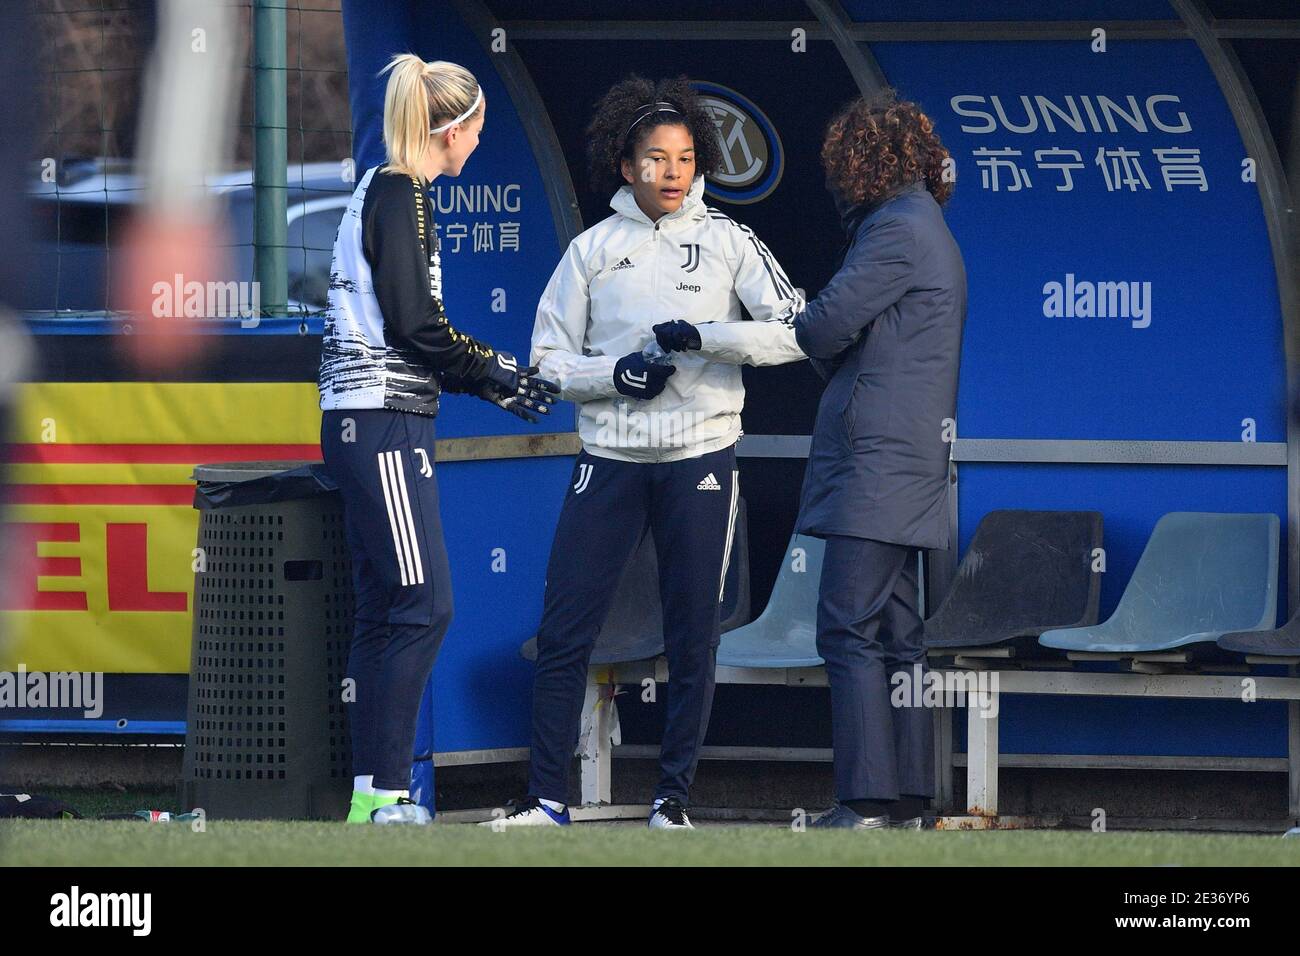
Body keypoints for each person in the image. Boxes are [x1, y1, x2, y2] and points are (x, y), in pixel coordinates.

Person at [489, 75, 806, 829]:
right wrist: (615, 377)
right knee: (566, 629)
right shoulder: (591, 251)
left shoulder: (731, 241)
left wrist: (707, 337)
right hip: (610, 460)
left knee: (692, 632)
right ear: (626, 167)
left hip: (701, 457)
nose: (674, 172)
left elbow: (797, 330)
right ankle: (546, 801)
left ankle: (673, 801)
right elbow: (548, 360)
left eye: (688, 157)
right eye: (657, 158)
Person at [317, 53, 558, 824]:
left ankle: (369, 801)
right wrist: (498, 374)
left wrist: (492, 377)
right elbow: (417, 326)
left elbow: (412, 328)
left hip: (371, 421)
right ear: (451, 130)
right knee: (424, 605)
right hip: (383, 422)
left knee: (389, 609)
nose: (481, 144)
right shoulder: (400, 191)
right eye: (479, 130)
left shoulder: (388, 191)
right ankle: (385, 796)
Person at [793, 91, 966, 830]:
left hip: (879, 464)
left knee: (845, 626)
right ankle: (910, 800)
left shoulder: (895, 228)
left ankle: (863, 802)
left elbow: (824, 326)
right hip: (906, 460)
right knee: (897, 636)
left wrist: (796, 318)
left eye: (841, 166)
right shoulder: (923, 223)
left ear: (860, 163)